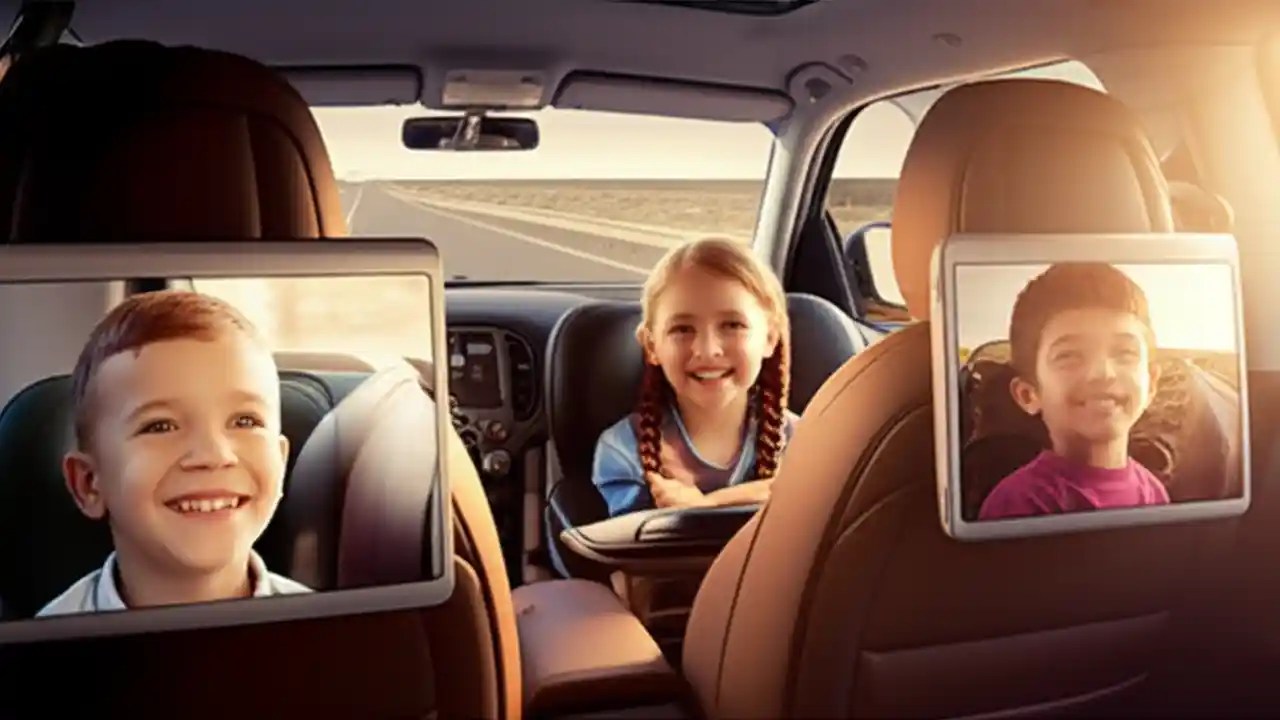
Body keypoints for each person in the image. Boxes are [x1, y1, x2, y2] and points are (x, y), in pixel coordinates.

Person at [38, 290, 310, 615]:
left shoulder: (331, 632)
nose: (213, 455)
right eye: (160, 426)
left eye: (245, 421)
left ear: (281, 462)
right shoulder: (46, 641)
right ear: (89, 483)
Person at [591, 237, 800, 517]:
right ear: (652, 346)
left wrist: (708, 505)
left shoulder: (804, 441)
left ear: (770, 338)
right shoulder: (624, 451)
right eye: (682, 329)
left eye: (732, 325)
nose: (707, 350)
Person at [978, 262, 1171, 520]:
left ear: (1152, 384)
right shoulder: (1018, 503)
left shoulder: (1154, 493)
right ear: (1028, 394)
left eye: (1125, 353)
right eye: (1068, 356)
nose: (1103, 372)